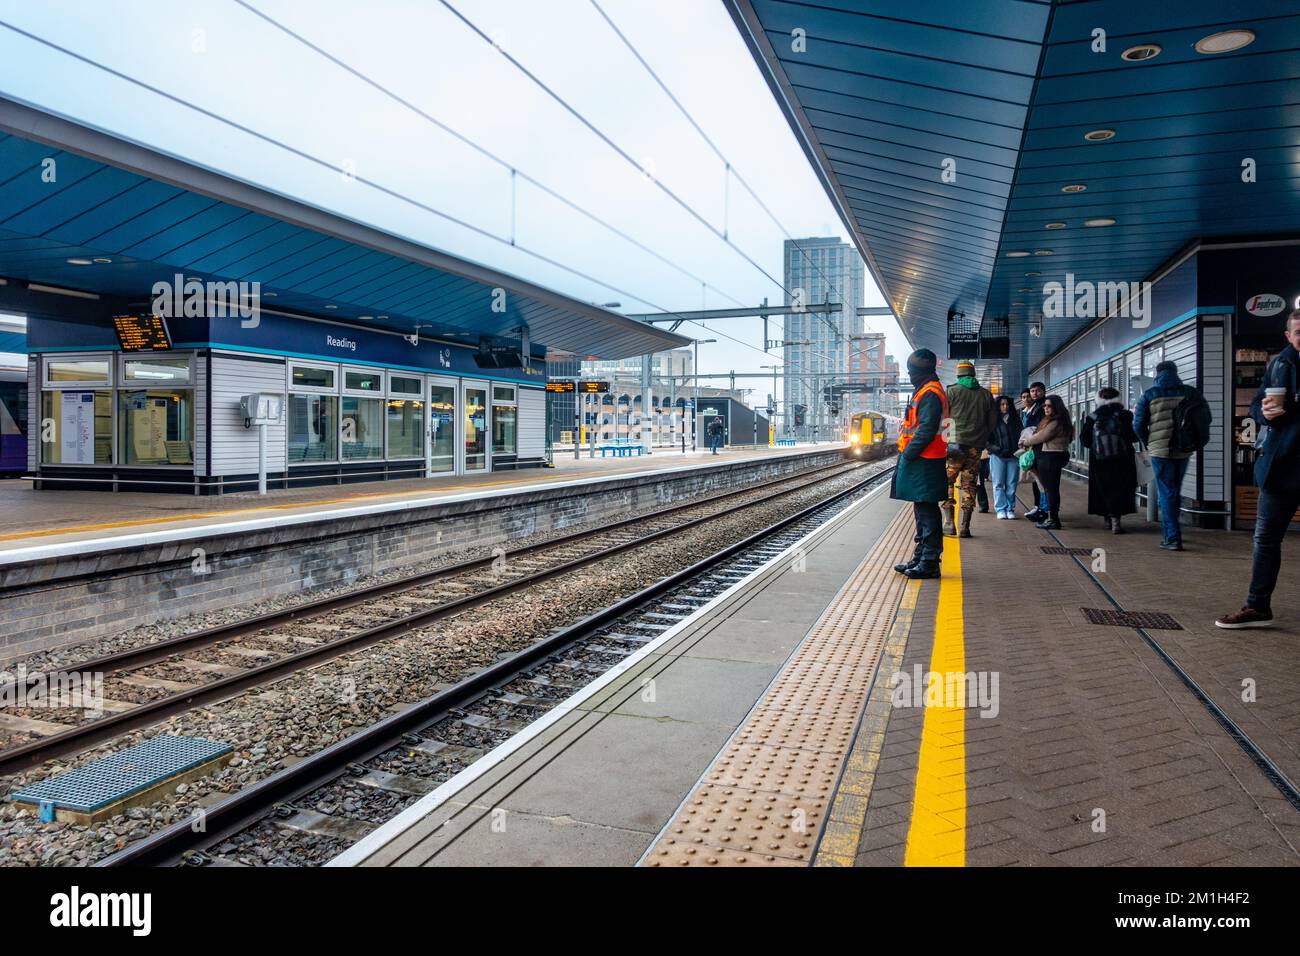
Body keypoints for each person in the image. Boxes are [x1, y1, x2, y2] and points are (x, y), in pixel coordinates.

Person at [1217, 310, 1300, 628]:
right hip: (1280, 465)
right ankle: (1257, 607)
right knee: (1265, 539)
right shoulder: (1279, 363)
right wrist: (1265, 413)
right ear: (1289, 335)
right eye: (1299, 332)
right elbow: (1255, 404)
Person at [1133, 359, 1208, 551]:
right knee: (1174, 491)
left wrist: (1148, 442)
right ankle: (1171, 532)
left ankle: (1172, 537)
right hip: (1183, 449)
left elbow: (1138, 425)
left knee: (1167, 492)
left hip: (1159, 450)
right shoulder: (1190, 392)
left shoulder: (1149, 394)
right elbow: (1206, 417)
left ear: (1157, 374)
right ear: (1176, 372)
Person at [891, 349, 949, 579]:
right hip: (925, 458)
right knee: (922, 510)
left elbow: (925, 430)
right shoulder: (926, 390)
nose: (910, 375)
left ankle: (930, 562)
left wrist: (908, 454)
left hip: (926, 459)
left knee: (927, 511)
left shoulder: (930, 393)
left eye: (912, 371)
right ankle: (921, 557)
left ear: (921, 371)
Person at [942, 359, 997, 538]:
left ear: (959, 375)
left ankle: (949, 523)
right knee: (969, 484)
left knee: (948, 482)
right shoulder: (986, 395)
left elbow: (943, 418)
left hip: (954, 446)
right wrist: (980, 438)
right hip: (975, 447)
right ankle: (965, 526)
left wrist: (947, 438)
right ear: (973, 374)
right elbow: (992, 423)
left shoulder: (951, 391)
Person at [1079, 386, 1139, 533]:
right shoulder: (1125, 415)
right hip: (1122, 459)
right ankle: (1116, 521)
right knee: (1119, 488)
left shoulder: (1093, 416)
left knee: (1102, 488)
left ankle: (1107, 519)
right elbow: (1133, 436)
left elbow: (1084, 440)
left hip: (1099, 459)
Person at [1018, 394, 1073, 530]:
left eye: (1049, 406)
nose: (1046, 408)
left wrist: (1025, 442)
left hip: (1050, 457)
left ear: (1056, 407)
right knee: (1050, 489)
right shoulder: (1061, 420)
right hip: (1053, 457)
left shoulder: (1055, 422)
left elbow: (1041, 436)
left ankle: (1053, 519)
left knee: (1050, 489)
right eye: (1045, 406)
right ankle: (1051, 518)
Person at [987, 394, 1022, 519]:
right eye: (1002, 404)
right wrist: (997, 450)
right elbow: (987, 440)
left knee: (1011, 483)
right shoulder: (993, 421)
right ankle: (1000, 509)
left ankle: (1010, 508)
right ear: (998, 406)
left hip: (1013, 456)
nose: (1005, 406)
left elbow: (1021, 436)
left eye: (1007, 404)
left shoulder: (1016, 420)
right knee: (998, 483)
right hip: (998, 456)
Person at [1021, 382, 1048, 520]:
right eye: (1033, 391)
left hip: (1042, 448)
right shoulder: (1034, 407)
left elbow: (1038, 429)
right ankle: (1039, 506)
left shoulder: (1043, 407)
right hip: (1035, 448)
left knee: (1042, 481)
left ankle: (1044, 509)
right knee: (1037, 480)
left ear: (1044, 391)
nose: (1034, 393)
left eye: (1038, 391)